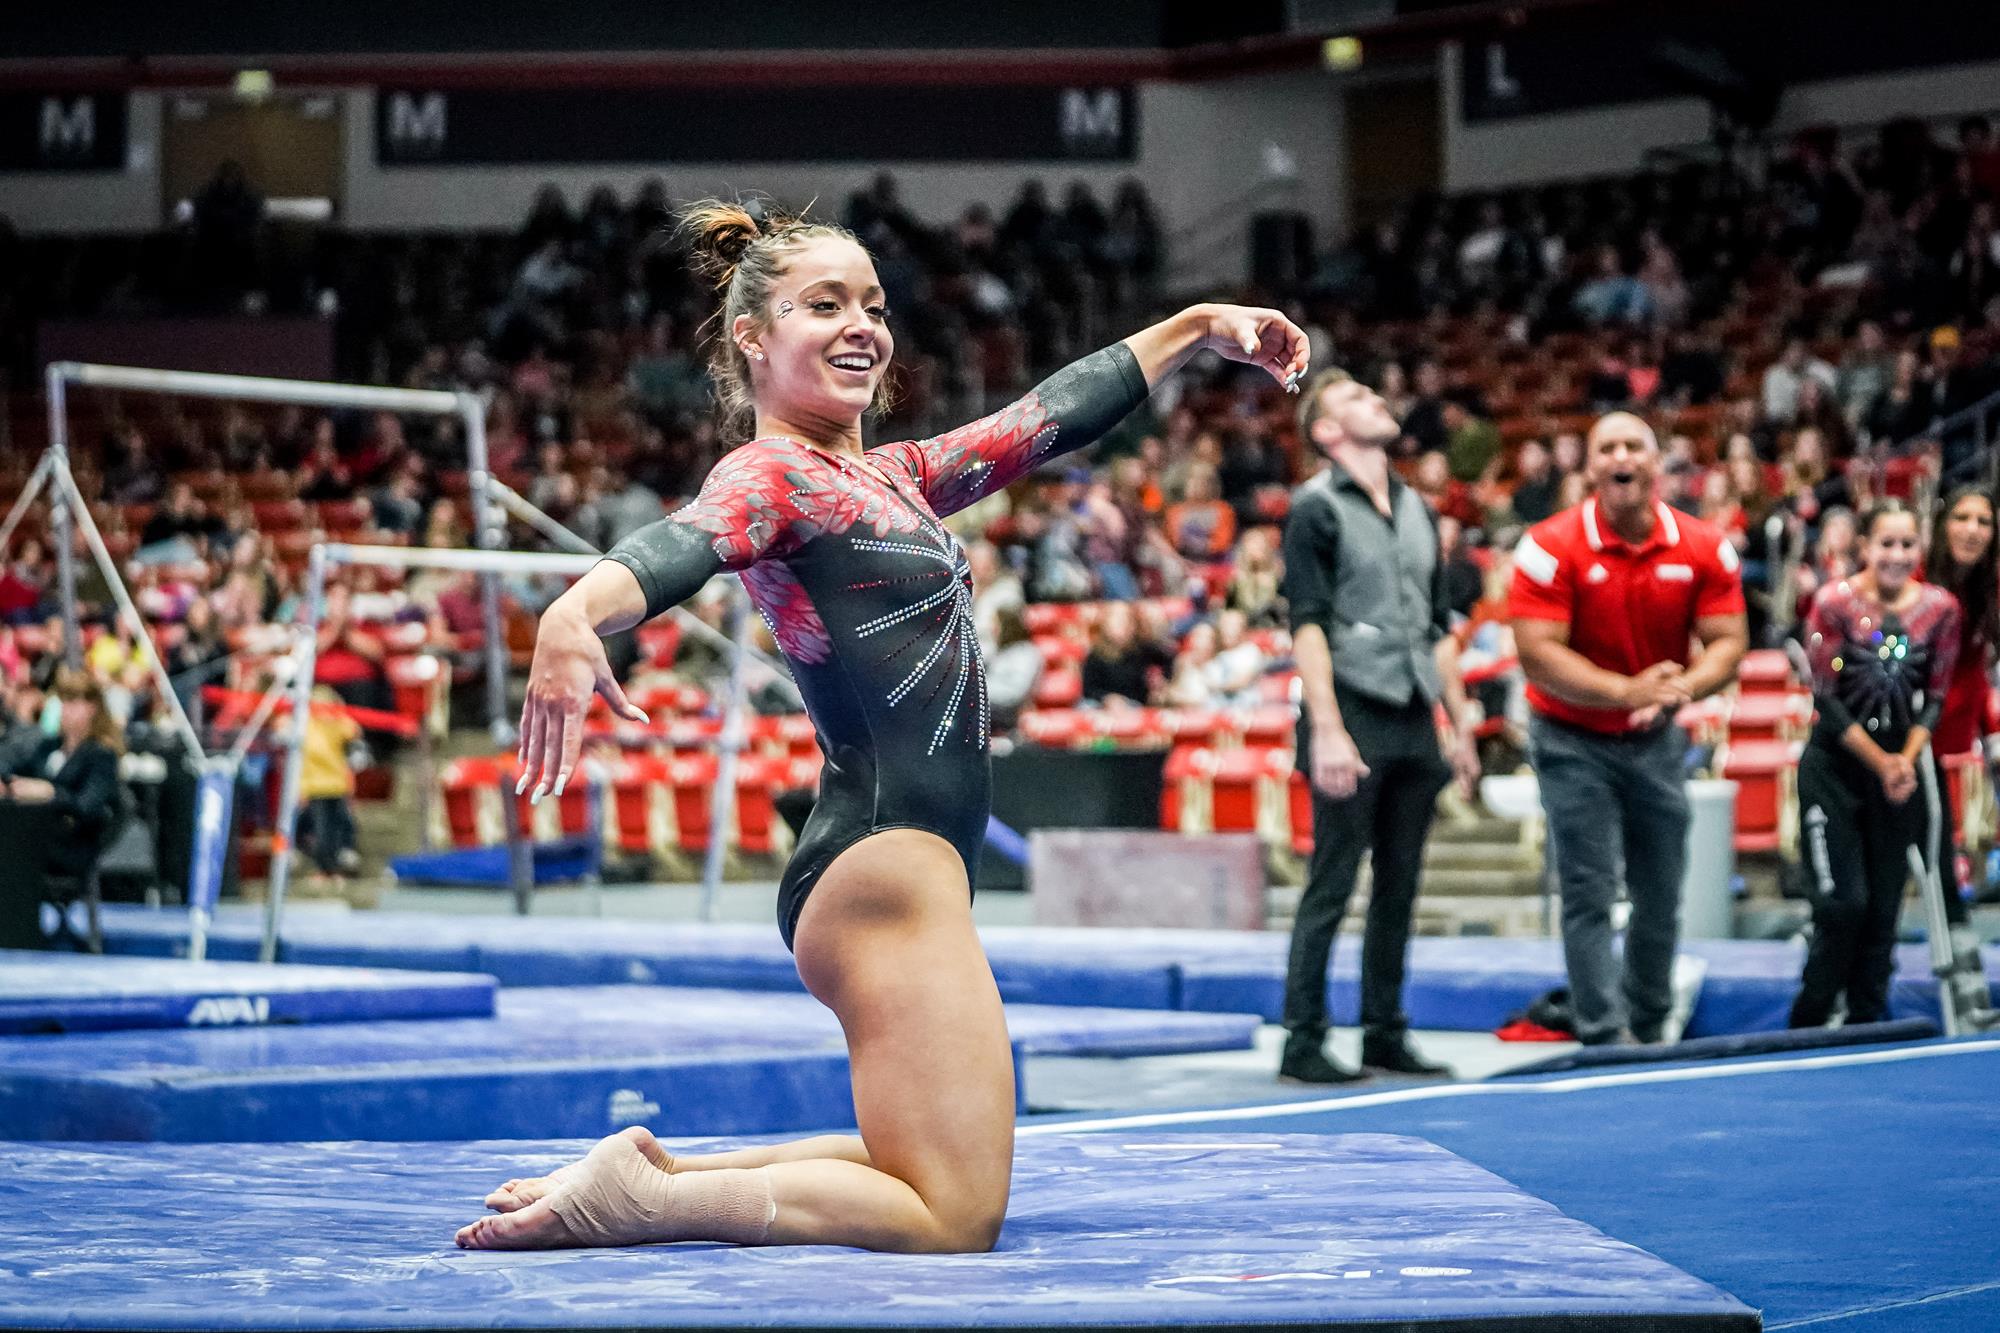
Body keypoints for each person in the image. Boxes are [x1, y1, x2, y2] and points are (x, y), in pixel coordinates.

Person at [460, 200, 1308, 1253]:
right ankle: (649, 1207)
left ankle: (659, 1174)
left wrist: (1191, 326)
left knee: (924, 1163)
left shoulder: (892, 477)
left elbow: (1048, 414)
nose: (862, 323)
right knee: (953, 1215)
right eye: (823, 305)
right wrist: (574, 611)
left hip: (893, 857)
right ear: (752, 338)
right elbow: (681, 543)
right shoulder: (769, 475)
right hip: (884, 862)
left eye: (871, 303)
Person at [1509, 412, 1747, 1045]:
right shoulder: (1548, 546)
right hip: (1570, 738)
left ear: (1656, 461)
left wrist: (1679, 689)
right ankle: (1603, 1033)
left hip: (1656, 738)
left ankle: (1648, 1023)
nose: (1621, 457)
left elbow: (1728, 642)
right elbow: (1538, 654)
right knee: (1588, 889)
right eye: (1607, 447)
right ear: (1590, 468)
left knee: (1660, 889)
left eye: (1634, 446)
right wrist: (1626, 692)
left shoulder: (1704, 546)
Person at [1277, 368, 1481, 1085]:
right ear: (1327, 432)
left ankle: (1384, 1031)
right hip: (1352, 707)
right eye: (1356, 398)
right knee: (1331, 879)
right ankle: (1302, 1039)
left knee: (1401, 882)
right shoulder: (1315, 509)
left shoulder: (1419, 510)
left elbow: (1436, 627)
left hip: (1412, 710)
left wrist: (1457, 723)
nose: (1376, 400)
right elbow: (1307, 624)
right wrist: (1327, 729)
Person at [1791, 501, 1961, 1027]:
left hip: (1899, 772)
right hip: (1835, 768)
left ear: (1921, 548)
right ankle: (1810, 1020)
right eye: (1886, 543)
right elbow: (1826, 695)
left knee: (1884, 911)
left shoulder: (1941, 609)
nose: (1897, 555)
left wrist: (1904, 760)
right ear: (1863, 546)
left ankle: (1868, 1025)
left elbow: (1935, 694)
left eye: (1907, 544)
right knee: (1845, 906)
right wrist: (1883, 762)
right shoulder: (1833, 603)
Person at [1920, 486, 1996, 920]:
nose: (1973, 530)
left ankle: (1950, 913)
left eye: (1984, 522)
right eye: (1963, 518)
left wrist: (1991, 732)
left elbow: (1974, 667)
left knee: (1940, 823)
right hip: (1900, 726)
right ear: (1943, 524)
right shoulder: (1914, 577)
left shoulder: (1989, 586)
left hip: (1946, 727)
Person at [0, 671, 124, 884]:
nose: (66, 710)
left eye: (74, 703)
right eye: (64, 702)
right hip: (33, 835)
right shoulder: (49, 746)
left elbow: (88, 807)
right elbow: (18, 767)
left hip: (71, 844)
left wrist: (51, 793)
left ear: (93, 708)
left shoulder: (100, 755)